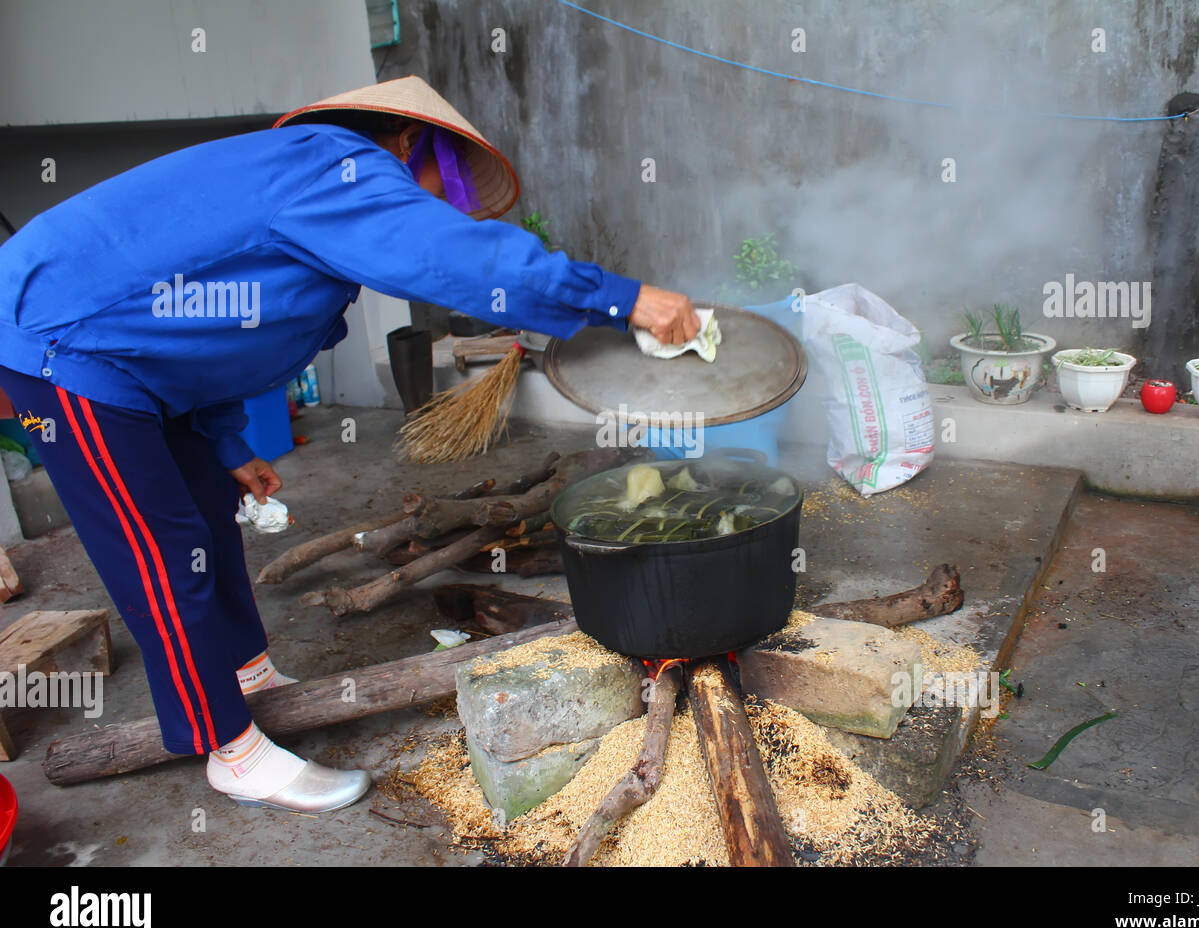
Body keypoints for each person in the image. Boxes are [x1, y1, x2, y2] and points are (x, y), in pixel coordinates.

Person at [0, 76, 700, 813]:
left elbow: (217, 339)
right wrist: (620, 297)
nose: (444, 200)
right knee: (161, 550)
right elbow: (451, 254)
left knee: (209, 519)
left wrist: (227, 441)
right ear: (405, 141)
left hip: (137, 361)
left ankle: (245, 678)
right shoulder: (330, 163)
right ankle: (228, 751)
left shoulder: (303, 183)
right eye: (447, 178)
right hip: (69, 349)